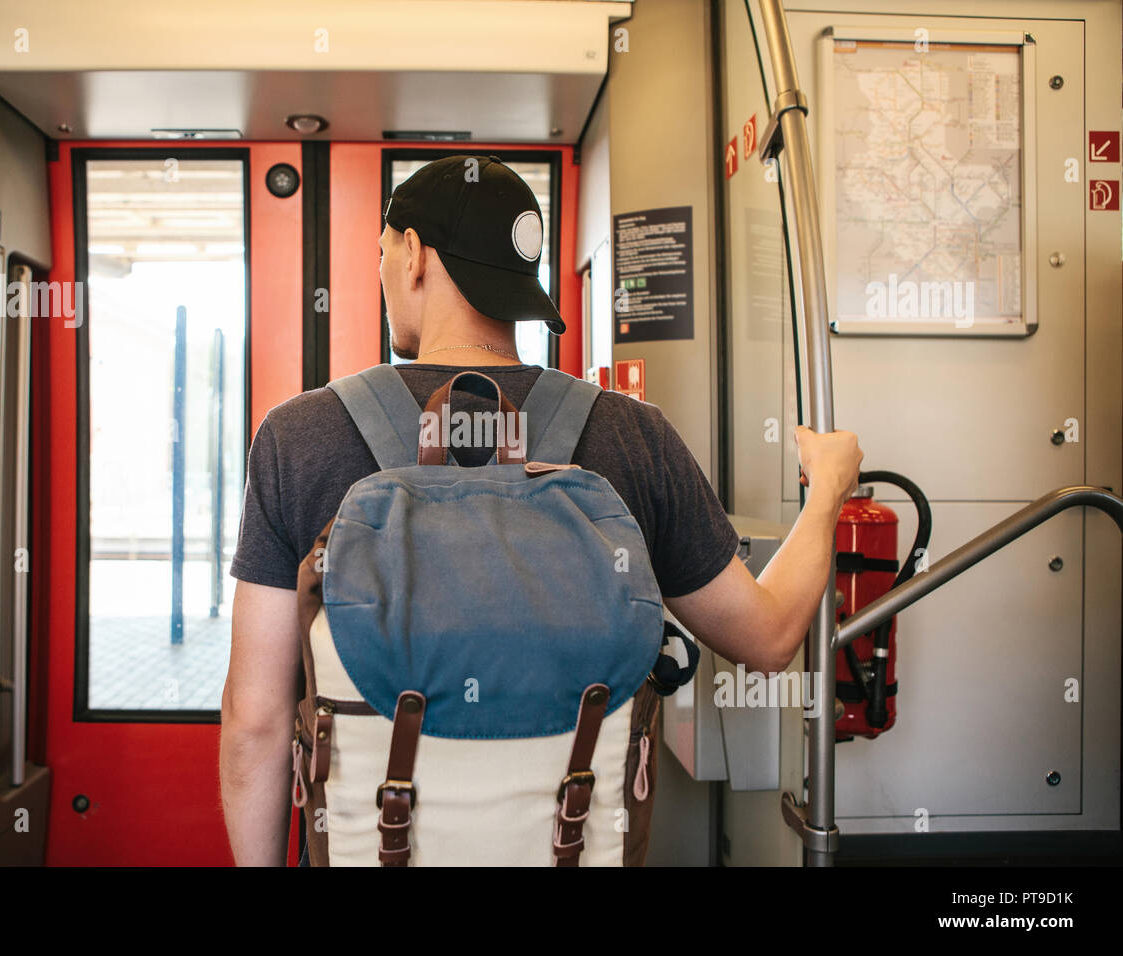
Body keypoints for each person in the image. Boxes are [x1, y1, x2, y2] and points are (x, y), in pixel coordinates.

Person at [219, 154, 863, 866]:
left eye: (379, 253)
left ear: (412, 255)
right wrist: (828, 490)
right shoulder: (632, 434)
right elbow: (769, 638)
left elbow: (254, 724)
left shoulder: (299, 436)